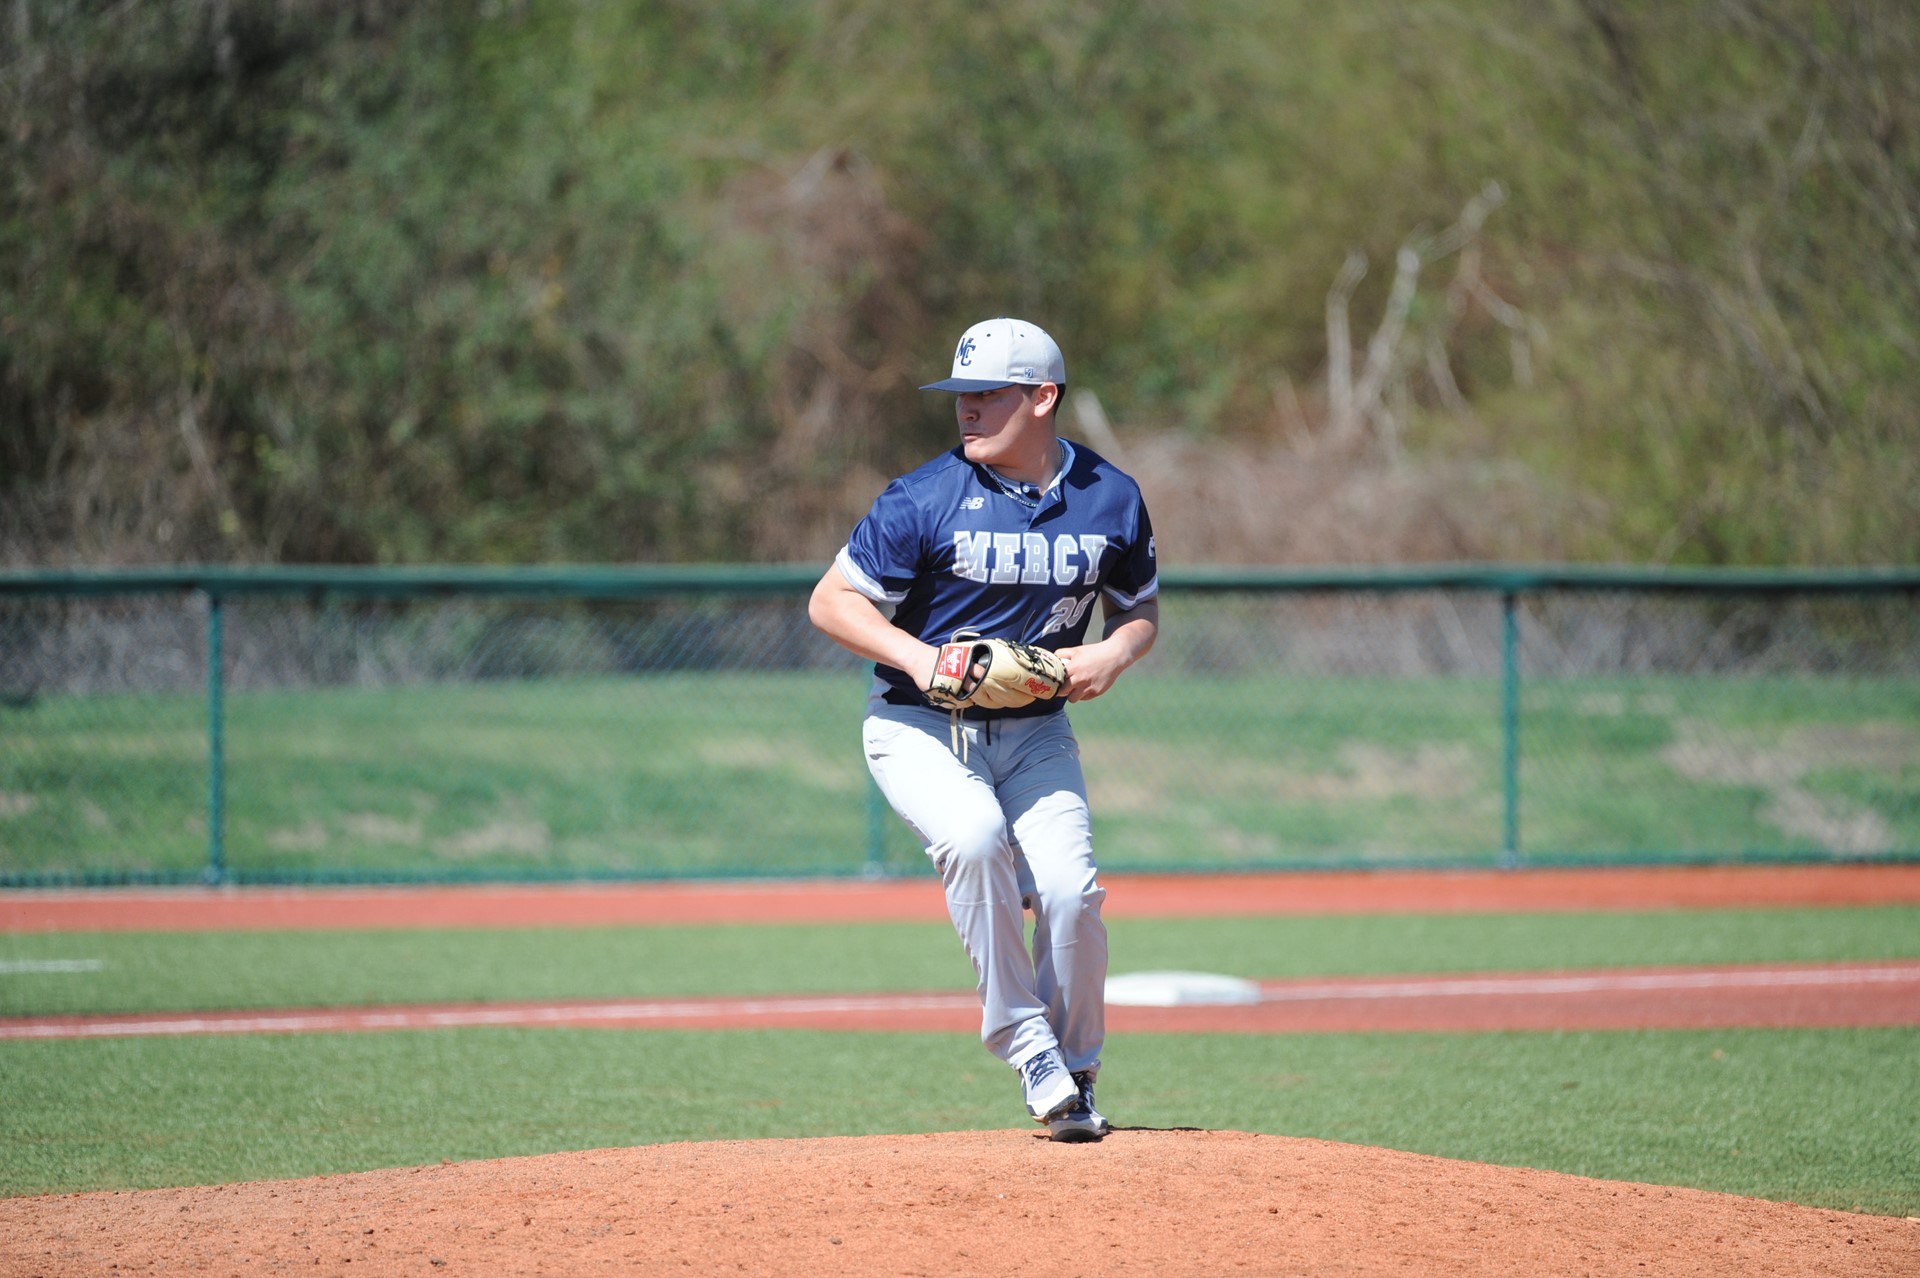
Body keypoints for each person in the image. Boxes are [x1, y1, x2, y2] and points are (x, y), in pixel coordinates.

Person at [808, 317, 1159, 1142]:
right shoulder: (923, 496)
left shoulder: (1112, 496)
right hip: (919, 725)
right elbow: (830, 601)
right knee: (973, 838)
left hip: (1038, 731)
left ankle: (1076, 1070)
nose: (965, 410)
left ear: (1043, 397)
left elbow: (1140, 610)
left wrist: (1116, 652)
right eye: (960, 396)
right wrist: (919, 658)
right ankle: (1026, 1042)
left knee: (1072, 895)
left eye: (986, 395)